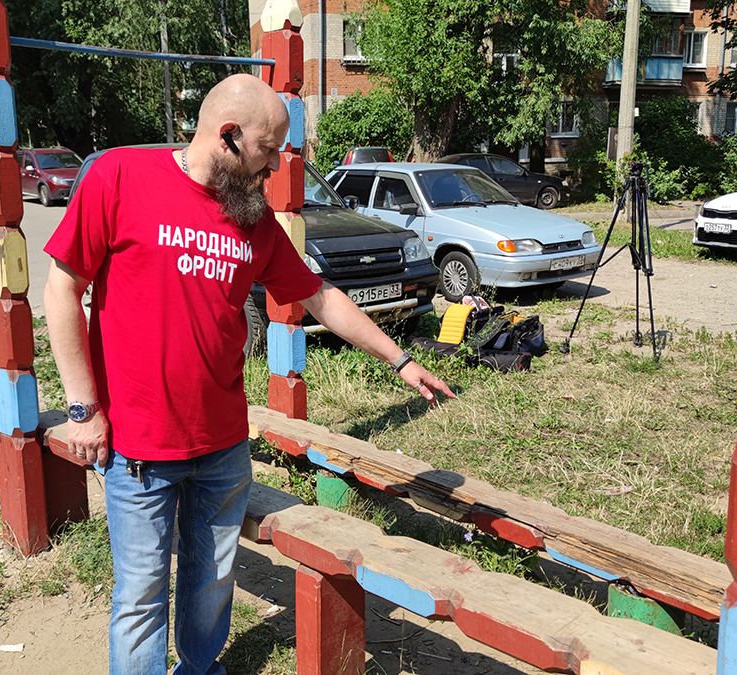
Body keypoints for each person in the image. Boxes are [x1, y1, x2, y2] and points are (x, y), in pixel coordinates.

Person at [42, 73, 454, 675]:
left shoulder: (252, 218)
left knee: (211, 583)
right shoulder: (120, 177)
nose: (277, 165)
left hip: (223, 446)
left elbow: (320, 297)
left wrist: (402, 359)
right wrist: (82, 410)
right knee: (141, 597)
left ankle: (201, 669)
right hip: (137, 445)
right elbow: (62, 289)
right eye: (268, 149)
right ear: (228, 135)